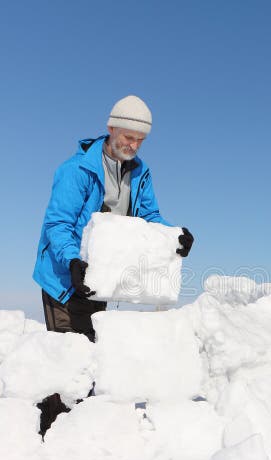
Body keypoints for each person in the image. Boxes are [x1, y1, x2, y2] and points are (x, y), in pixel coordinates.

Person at [32, 95, 194, 436]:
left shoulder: (140, 172)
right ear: (110, 129)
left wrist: (174, 236)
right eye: (127, 137)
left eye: (140, 139)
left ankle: (81, 429)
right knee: (67, 357)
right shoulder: (76, 170)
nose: (133, 145)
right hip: (64, 275)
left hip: (99, 278)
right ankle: (49, 432)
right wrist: (72, 261)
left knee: (91, 352)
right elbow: (58, 223)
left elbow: (149, 217)